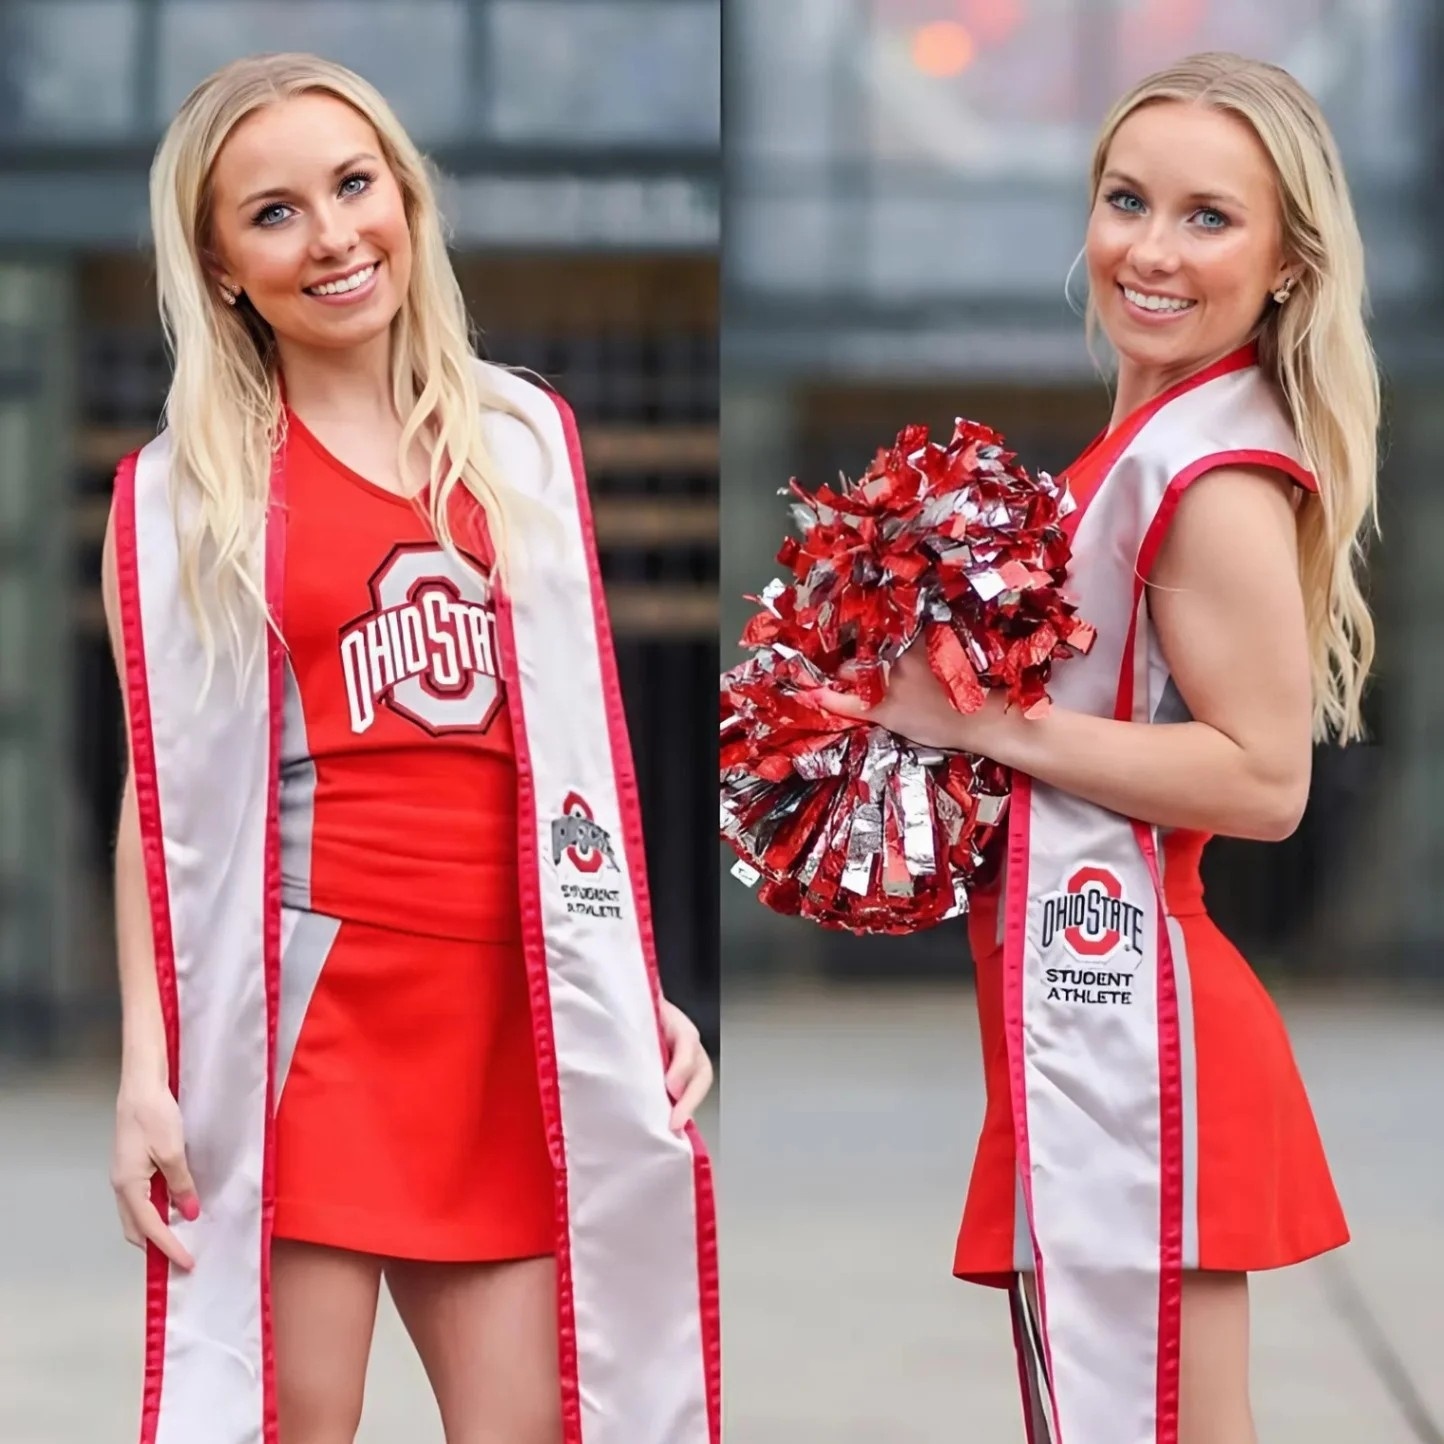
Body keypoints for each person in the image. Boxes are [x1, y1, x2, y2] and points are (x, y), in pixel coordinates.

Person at [101, 53, 719, 1444]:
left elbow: (572, 756)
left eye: (353, 184)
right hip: (306, 1021)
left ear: (406, 198)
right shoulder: (183, 501)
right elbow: (165, 800)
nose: (331, 235)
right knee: (285, 1423)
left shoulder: (522, 443)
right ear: (217, 266)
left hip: (507, 1012)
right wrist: (150, 1070)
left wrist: (627, 987)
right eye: (274, 212)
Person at [819, 51, 1377, 1444]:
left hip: (1141, 1028)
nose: (1152, 248)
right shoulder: (1152, 441)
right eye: (1129, 199)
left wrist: (977, 720)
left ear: (1289, 262)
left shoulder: (1211, 475)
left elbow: (1264, 780)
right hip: (1089, 996)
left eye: (1209, 216)